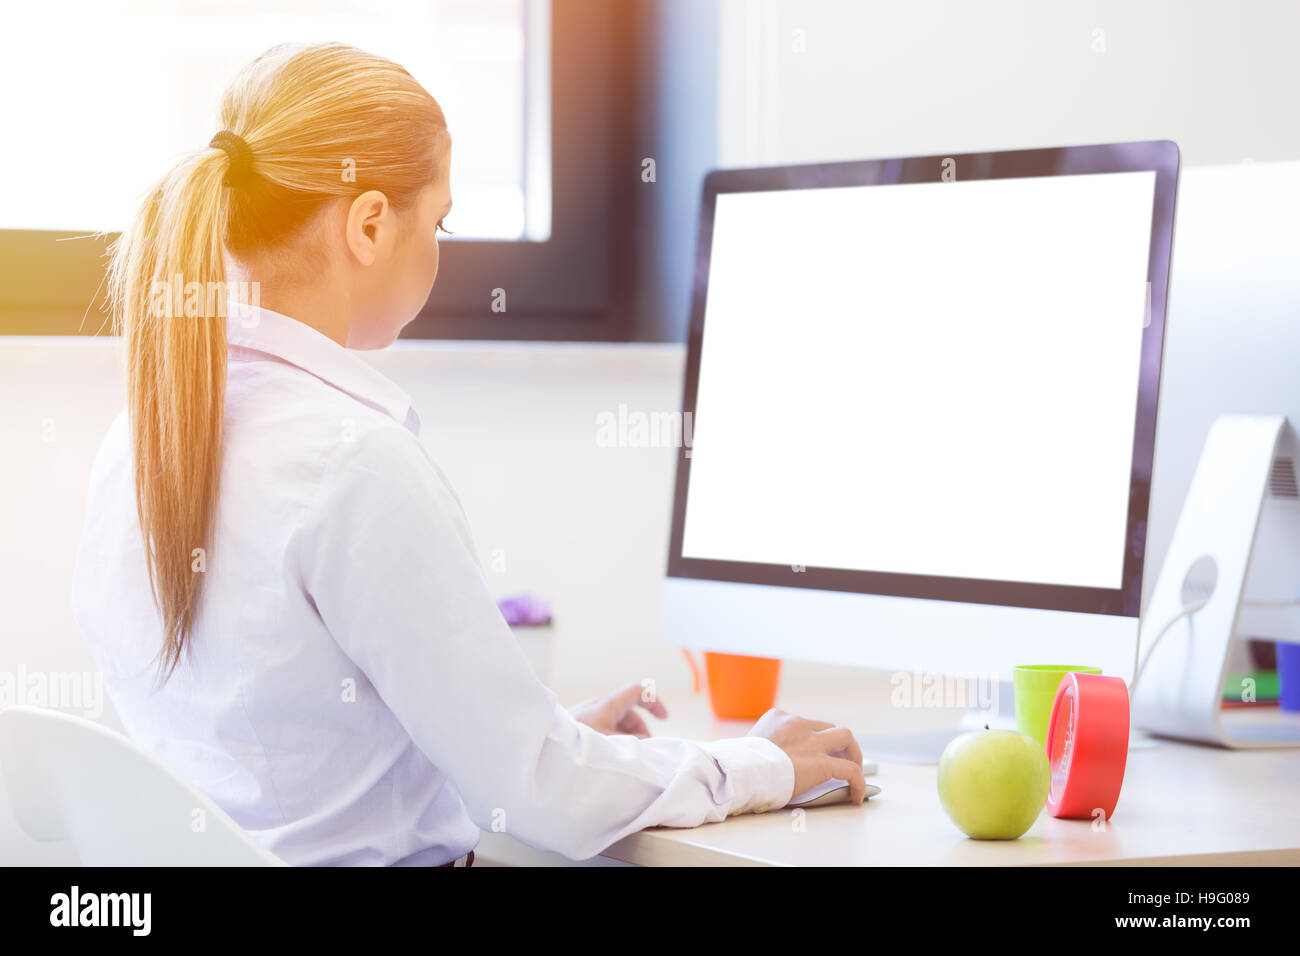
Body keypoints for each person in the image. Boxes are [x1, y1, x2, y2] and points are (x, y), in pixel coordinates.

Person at [71, 42, 866, 867]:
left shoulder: (142, 439)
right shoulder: (352, 464)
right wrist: (760, 766)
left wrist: (514, 738)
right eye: (440, 220)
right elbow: (541, 799)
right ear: (370, 224)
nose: (442, 248)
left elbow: (292, 760)